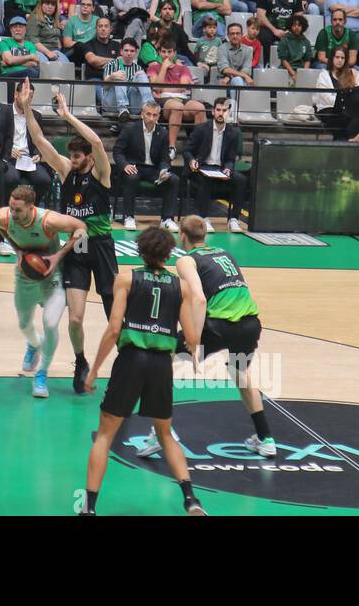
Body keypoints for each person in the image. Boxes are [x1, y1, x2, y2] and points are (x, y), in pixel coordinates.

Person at [82, 225, 206, 517]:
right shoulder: (182, 287)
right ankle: (191, 499)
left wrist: (94, 370)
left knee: (105, 435)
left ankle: (88, 508)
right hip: (161, 364)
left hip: (131, 359)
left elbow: (114, 329)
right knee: (165, 434)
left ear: (140, 250)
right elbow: (192, 337)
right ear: (168, 253)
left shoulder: (125, 278)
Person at [139, 215, 272, 459]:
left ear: (182, 235)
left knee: (161, 360)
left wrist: (195, 339)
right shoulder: (225, 253)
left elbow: (199, 299)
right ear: (205, 234)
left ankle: (160, 432)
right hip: (250, 323)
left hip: (218, 325)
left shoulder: (186, 261)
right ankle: (266, 439)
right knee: (240, 372)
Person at [17, 79, 117, 394]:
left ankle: (127, 364)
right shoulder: (65, 171)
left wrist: (68, 115)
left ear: (87, 157)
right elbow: (38, 139)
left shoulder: (101, 173)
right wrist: (26, 106)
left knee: (115, 316)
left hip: (100, 248)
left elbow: (99, 144)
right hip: (75, 251)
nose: (72, 159)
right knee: (75, 319)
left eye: (77, 156)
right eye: (71, 155)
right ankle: (80, 361)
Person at [0, 186, 88, 399]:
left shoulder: (49, 221)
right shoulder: (3, 217)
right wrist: (17, 250)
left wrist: (60, 255)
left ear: (30, 207)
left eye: (18, 210)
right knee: (24, 325)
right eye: (11, 208)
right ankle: (34, 344)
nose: (13, 214)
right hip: (24, 277)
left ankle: (42, 373)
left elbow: (81, 228)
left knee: (51, 324)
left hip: (51, 277)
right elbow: (1, 227)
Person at [114, 100, 181, 232]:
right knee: (131, 177)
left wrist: (164, 170)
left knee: (174, 179)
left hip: (153, 169)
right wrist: (125, 165)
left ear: (158, 116)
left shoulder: (163, 133)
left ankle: (166, 219)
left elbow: (165, 158)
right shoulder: (130, 129)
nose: (151, 118)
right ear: (142, 114)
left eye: (155, 115)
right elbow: (117, 151)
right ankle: (129, 217)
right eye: (148, 114)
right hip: (134, 166)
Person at [183, 98, 245, 233]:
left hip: (220, 169)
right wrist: (191, 161)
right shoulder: (201, 129)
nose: (221, 113)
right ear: (213, 112)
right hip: (201, 167)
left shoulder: (233, 133)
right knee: (205, 179)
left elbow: (230, 158)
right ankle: (204, 217)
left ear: (228, 113)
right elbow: (187, 150)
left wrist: (228, 168)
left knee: (241, 180)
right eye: (218, 110)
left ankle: (233, 219)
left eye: (224, 110)